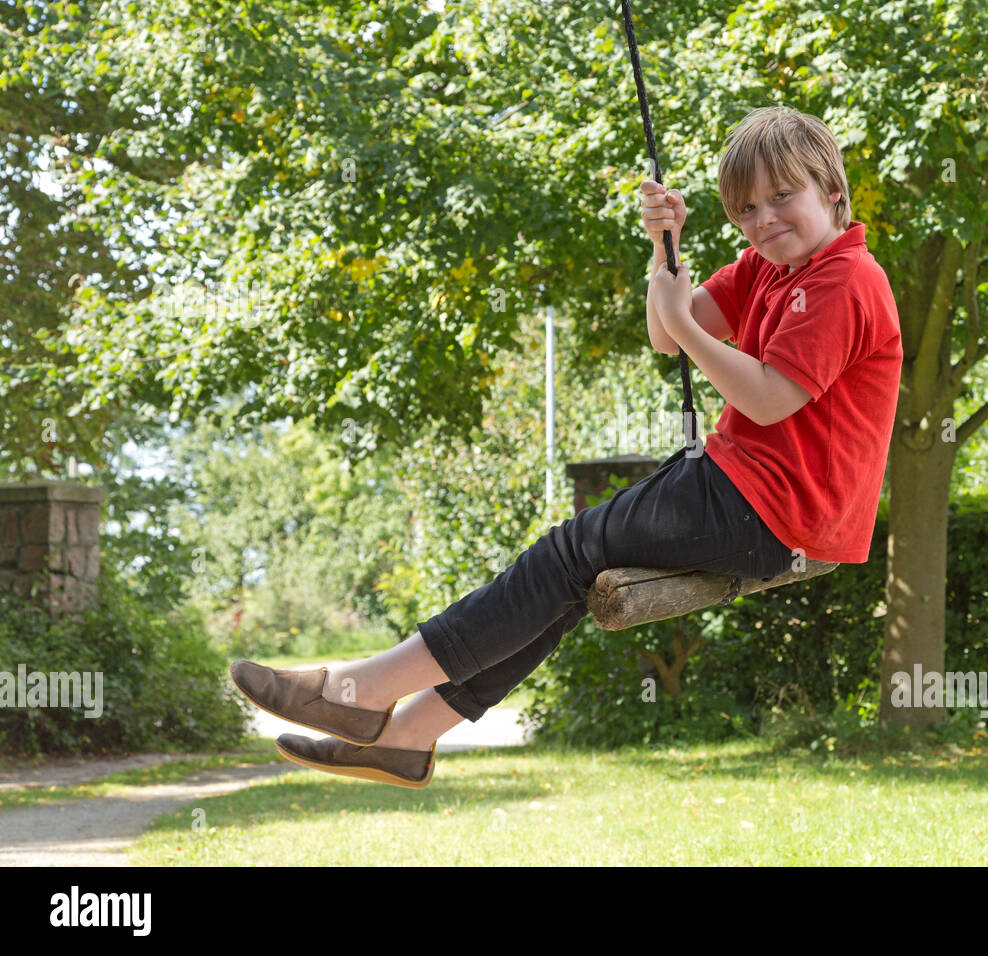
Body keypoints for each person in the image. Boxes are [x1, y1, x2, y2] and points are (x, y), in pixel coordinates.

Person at [230, 105, 903, 788]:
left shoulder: (846, 279)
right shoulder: (766, 269)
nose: (763, 221)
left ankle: (360, 691)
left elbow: (766, 394)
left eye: (782, 196)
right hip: (749, 491)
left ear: (833, 191)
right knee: (570, 574)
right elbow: (667, 333)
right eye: (745, 210)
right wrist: (660, 254)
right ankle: (406, 737)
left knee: (566, 553)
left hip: (776, 507)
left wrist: (683, 324)